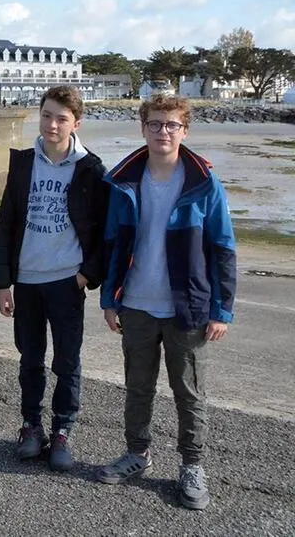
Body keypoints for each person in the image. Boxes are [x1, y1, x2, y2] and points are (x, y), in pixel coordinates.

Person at [96, 95, 237, 511]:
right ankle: (137, 453)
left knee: (189, 392)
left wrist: (221, 310)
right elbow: (112, 244)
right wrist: (109, 298)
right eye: (155, 124)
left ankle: (192, 465)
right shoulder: (123, 181)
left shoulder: (204, 183)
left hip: (187, 307)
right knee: (138, 387)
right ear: (143, 128)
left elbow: (223, 249)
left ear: (185, 130)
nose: (163, 132)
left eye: (172, 125)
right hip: (136, 303)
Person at [0, 85, 108, 472]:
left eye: (61, 118)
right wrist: (2, 282)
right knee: (30, 359)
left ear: (77, 123)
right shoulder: (24, 163)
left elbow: (104, 231)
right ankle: (31, 426)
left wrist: (86, 275)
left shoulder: (91, 168)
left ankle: (62, 431)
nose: (52, 125)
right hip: (27, 281)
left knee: (67, 362)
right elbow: (7, 223)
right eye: (46, 116)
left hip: (66, 282)